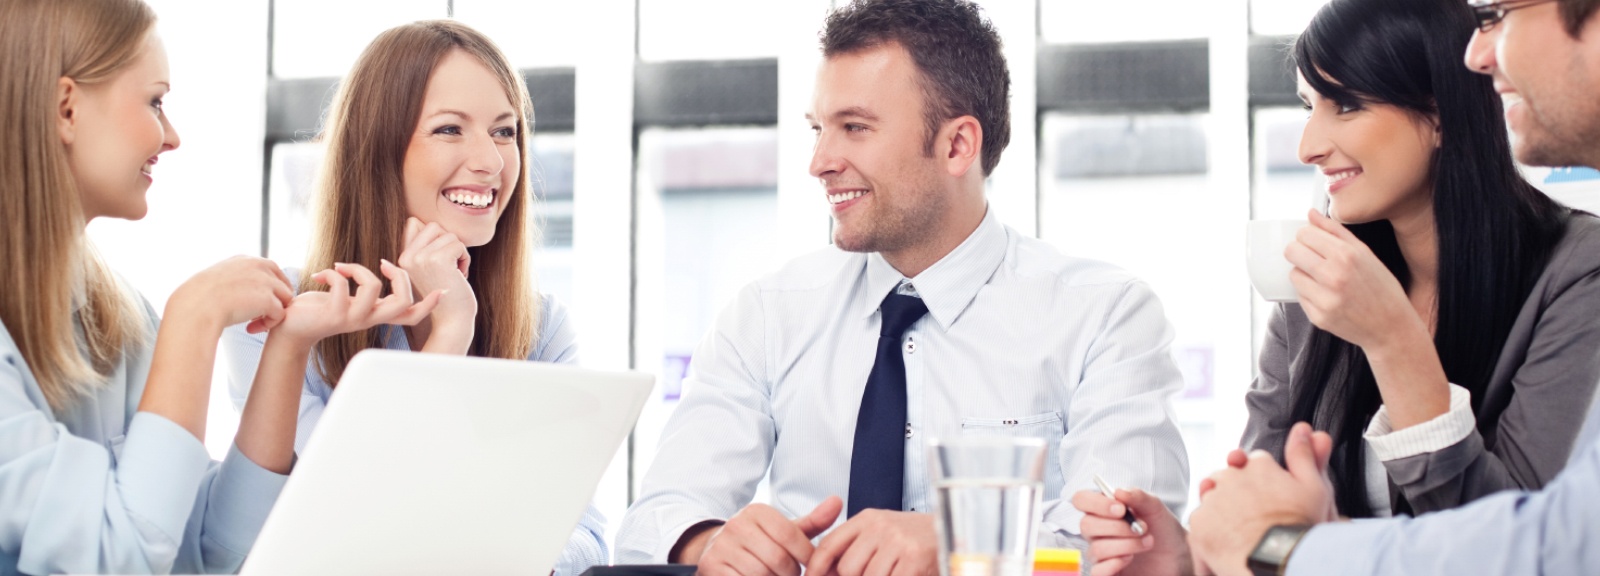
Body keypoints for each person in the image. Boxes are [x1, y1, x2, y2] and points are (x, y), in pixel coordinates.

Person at [614, 1, 1190, 574]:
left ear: (958, 145)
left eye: (854, 128)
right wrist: (709, 542)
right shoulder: (767, 314)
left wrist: (962, 550)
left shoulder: (1106, 315)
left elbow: (1134, 548)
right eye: (819, 129)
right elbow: (653, 522)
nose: (819, 162)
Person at [1075, 0, 1600, 572]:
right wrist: (1190, 558)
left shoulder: (1576, 273)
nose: (1309, 147)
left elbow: (1533, 547)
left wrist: (1394, 341)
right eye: (1308, 106)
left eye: (1346, 105)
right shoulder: (1316, 285)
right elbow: (1259, 528)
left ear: (1441, 113)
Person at [0, 0, 435, 573]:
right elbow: (117, 557)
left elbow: (211, 551)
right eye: (155, 101)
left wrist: (289, 345)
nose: (172, 135)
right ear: (66, 109)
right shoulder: (168, 320)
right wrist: (196, 319)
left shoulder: (118, 314)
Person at [219, 20, 604, 576]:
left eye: (504, 132)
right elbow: (340, 536)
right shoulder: (279, 312)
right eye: (450, 130)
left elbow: (586, 540)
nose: (492, 162)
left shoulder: (541, 328)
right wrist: (449, 335)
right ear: (377, 149)